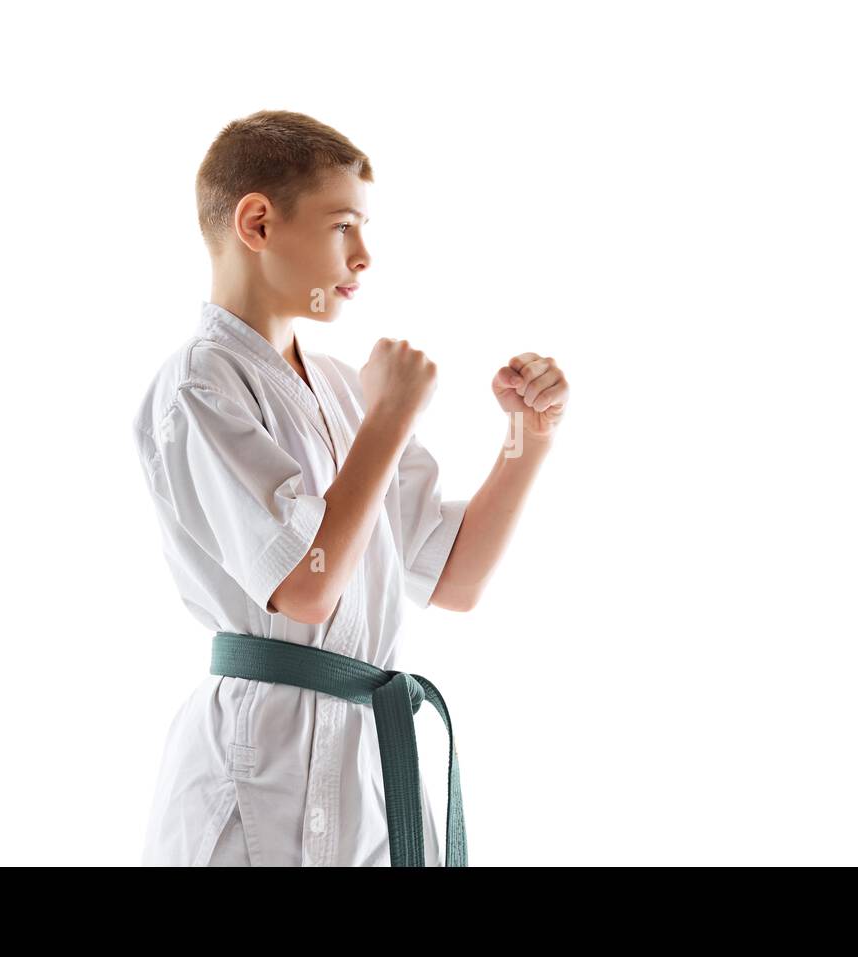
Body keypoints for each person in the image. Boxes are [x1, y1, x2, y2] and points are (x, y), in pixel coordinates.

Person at [131, 110, 570, 866]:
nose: (363, 256)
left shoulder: (339, 388)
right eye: (343, 226)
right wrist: (392, 414)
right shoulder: (201, 384)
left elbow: (453, 576)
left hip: (364, 761)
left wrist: (525, 438)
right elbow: (306, 585)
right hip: (254, 763)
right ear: (258, 222)